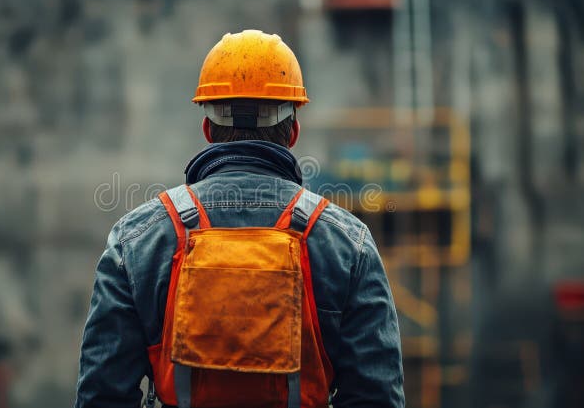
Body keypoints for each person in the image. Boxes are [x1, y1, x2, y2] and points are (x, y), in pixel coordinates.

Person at [75, 30, 404, 408]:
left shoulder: (137, 241)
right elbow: (377, 397)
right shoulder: (348, 245)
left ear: (207, 130)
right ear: (293, 132)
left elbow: (101, 396)